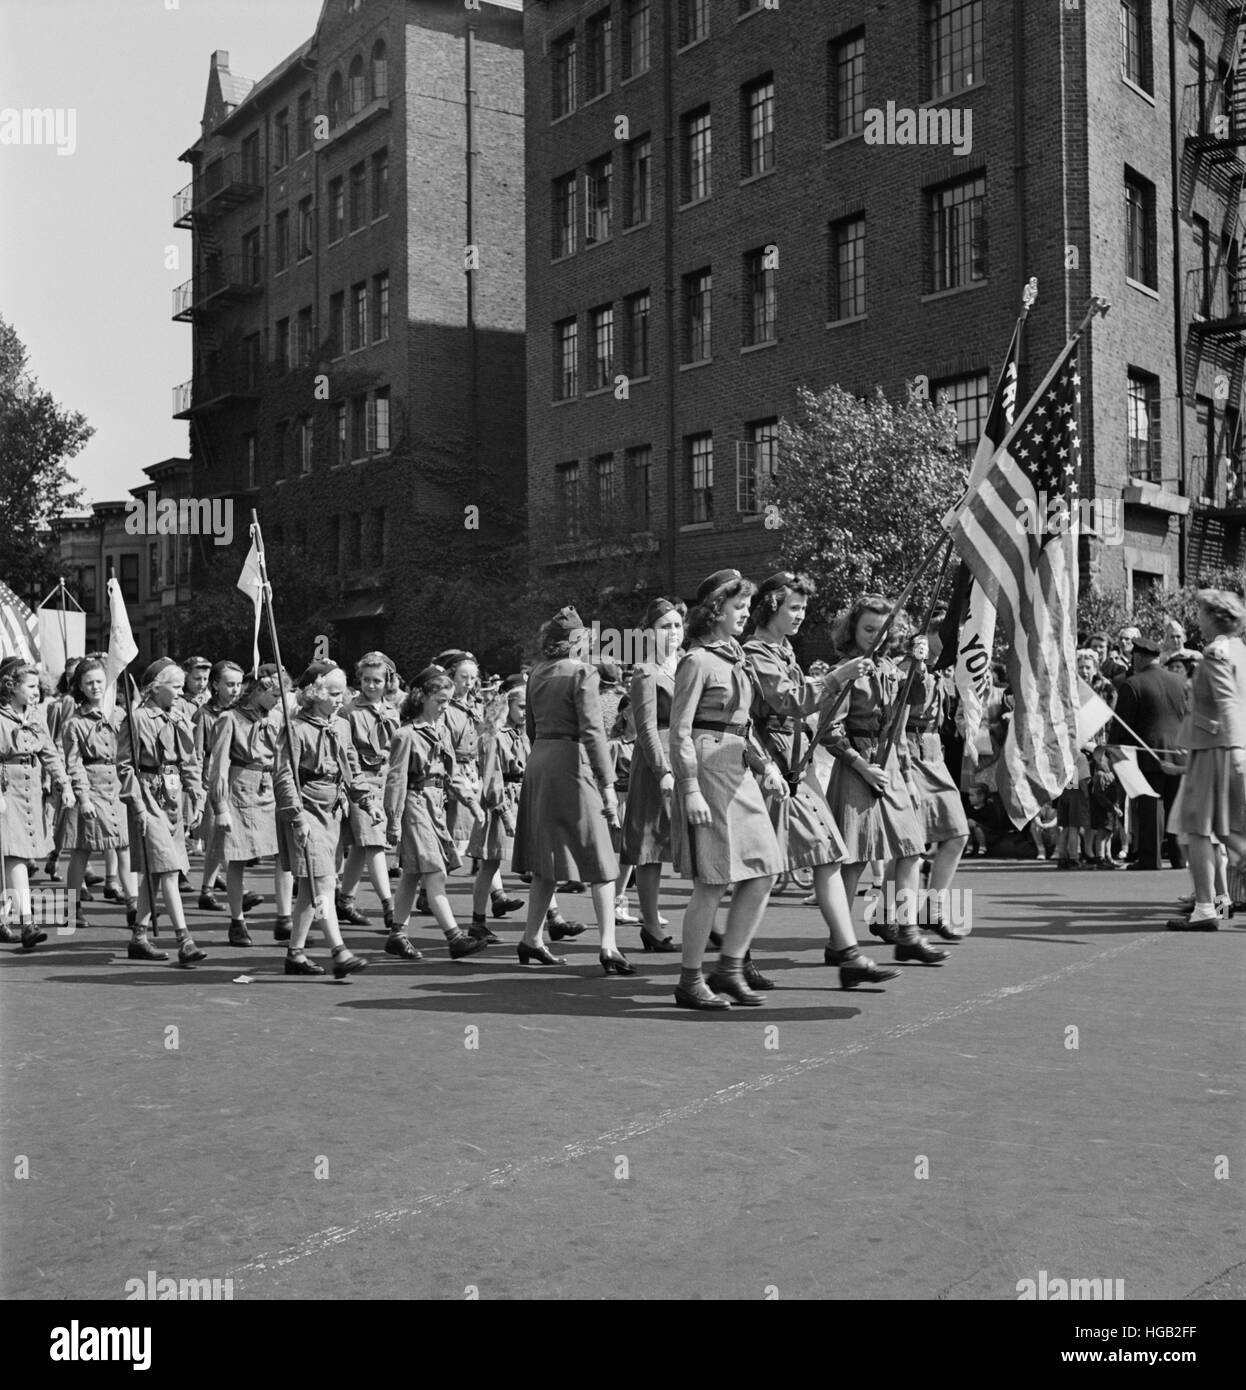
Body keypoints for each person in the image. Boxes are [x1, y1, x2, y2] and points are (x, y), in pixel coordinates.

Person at [744, 572, 900, 988]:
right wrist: (836, 678)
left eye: (803, 608)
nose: (800, 615)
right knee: (758, 871)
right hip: (770, 767)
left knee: (827, 853)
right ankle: (732, 958)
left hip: (796, 764)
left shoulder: (784, 650)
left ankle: (847, 954)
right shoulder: (755, 652)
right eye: (793, 607)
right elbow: (787, 701)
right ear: (770, 607)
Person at [669, 570, 789, 1009]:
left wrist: (767, 765)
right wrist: (690, 789)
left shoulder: (733, 655)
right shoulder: (697, 661)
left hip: (738, 767)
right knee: (713, 881)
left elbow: (744, 723)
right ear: (715, 610)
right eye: (738, 607)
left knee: (764, 868)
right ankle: (690, 979)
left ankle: (730, 967)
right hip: (708, 770)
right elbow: (679, 731)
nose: (744, 615)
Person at [823, 596, 949, 965]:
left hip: (891, 761)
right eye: (867, 630)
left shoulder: (893, 668)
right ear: (853, 629)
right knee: (854, 860)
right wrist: (861, 765)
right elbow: (829, 730)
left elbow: (915, 705)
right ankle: (839, 943)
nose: (875, 637)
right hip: (857, 764)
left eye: (882, 631)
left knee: (911, 848)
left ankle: (907, 932)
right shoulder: (847, 669)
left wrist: (920, 665)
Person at [511, 606, 632, 974]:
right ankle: (609, 946)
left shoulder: (537, 674)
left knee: (548, 860)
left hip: (541, 760)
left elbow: (531, 727)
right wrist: (608, 785)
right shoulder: (582, 672)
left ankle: (532, 937)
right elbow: (594, 732)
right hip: (570, 761)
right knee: (601, 859)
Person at [274, 661, 379, 977]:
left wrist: (366, 800)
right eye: (332, 693)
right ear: (313, 693)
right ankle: (339, 950)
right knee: (323, 884)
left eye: (342, 693)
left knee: (312, 884)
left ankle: (295, 954)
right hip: (306, 809)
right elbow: (283, 776)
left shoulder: (341, 725)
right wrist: (296, 817)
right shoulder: (296, 729)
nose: (339, 699)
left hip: (333, 810)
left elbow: (351, 767)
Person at [385, 666, 490, 960]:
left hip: (435, 804)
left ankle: (397, 934)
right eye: (440, 700)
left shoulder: (441, 730)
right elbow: (396, 780)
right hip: (414, 805)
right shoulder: (406, 735)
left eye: (448, 700)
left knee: (412, 874)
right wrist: (393, 821)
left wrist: (470, 802)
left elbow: (451, 773)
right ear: (422, 698)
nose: (445, 707)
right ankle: (455, 937)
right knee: (434, 873)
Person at [117, 658, 206, 965]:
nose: (181, 693)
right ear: (156, 688)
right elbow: (125, 765)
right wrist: (137, 804)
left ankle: (139, 937)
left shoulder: (180, 715)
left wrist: (196, 795)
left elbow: (189, 760)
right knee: (168, 868)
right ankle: (185, 939)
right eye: (176, 686)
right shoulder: (137, 718)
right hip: (146, 792)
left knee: (155, 875)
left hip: (172, 792)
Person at [1167, 590, 1246, 930]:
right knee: (1223, 834)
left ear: (1214, 616)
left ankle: (1205, 907)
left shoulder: (1216, 653)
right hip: (1222, 746)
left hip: (1214, 748)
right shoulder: (1240, 651)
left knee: (1197, 829)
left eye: (1200, 611)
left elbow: (1227, 702)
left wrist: (1237, 749)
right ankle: (1215, 905)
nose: (1196, 617)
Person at [205, 664, 295, 947]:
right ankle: (237, 921)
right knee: (238, 856)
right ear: (258, 690)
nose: (279, 699)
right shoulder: (229, 719)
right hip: (241, 790)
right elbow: (217, 766)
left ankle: (284, 918)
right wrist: (220, 807)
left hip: (273, 787)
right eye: (275, 693)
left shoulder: (279, 717)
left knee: (285, 854)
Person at [899, 610, 970, 939]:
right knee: (905, 843)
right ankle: (893, 915)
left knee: (957, 832)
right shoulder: (906, 667)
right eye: (944, 634)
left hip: (933, 752)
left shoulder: (946, 671)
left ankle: (934, 909)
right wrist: (916, 665)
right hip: (906, 751)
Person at [621, 598, 683, 952]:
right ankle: (650, 925)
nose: (673, 633)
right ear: (648, 634)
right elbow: (644, 728)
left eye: (677, 626)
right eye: (665, 627)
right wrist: (662, 770)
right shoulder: (645, 671)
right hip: (656, 760)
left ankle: (708, 921)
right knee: (651, 846)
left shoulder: (687, 664)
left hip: (687, 754)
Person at [60, 657, 138, 932]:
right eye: (89, 682)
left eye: (100, 682)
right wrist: (83, 798)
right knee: (82, 849)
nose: (95, 687)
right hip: (91, 787)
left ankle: (133, 904)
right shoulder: (75, 723)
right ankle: (71, 907)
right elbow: (73, 763)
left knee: (125, 845)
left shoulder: (120, 715)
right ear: (80, 686)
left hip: (118, 786)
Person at [0, 661, 74, 949]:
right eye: (30, 687)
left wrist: (64, 784)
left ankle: (5, 919)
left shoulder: (34, 717)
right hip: (7, 789)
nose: (36, 692)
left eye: (37, 687)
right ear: (10, 686)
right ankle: (27, 921)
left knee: (13, 856)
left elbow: (50, 753)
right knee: (14, 856)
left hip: (30, 790)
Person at [335, 652, 400, 930]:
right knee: (373, 843)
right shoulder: (349, 712)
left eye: (377, 681)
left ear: (387, 682)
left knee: (362, 847)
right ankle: (389, 904)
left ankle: (345, 900)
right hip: (360, 781)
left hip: (385, 781)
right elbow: (344, 752)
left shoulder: (393, 712)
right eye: (366, 680)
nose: (371, 686)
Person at [1113, 634, 1188, 870]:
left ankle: (1150, 858)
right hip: (1180, 752)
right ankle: (1179, 858)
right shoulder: (1180, 682)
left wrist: (1113, 748)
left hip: (1149, 753)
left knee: (1151, 807)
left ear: (1139, 657)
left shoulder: (1133, 684)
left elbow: (1122, 724)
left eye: (1134, 657)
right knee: (1176, 807)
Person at [468, 675, 528, 941]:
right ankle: (477, 922)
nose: (526, 713)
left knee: (537, 864)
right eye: (522, 707)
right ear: (508, 704)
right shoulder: (493, 735)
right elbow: (492, 777)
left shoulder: (523, 734)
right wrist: (504, 813)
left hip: (523, 797)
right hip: (500, 802)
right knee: (490, 864)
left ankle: (553, 917)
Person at [193, 660, 249, 912]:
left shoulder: (241, 713)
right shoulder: (204, 715)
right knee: (221, 836)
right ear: (215, 685)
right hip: (211, 781)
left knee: (219, 838)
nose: (236, 689)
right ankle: (239, 889)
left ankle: (207, 889)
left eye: (239, 684)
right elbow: (196, 753)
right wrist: (198, 788)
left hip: (235, 782)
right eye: (229, 684)